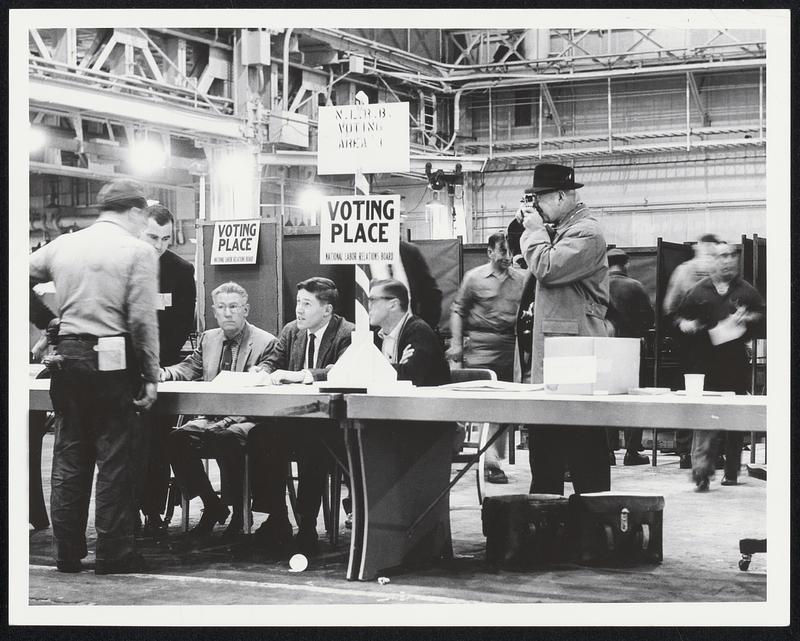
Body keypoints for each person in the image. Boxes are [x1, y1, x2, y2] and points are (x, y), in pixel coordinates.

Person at [29, 178, 160, 574]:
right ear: (135, 211)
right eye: (144, 216)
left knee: (69, 455)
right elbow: (140, 319)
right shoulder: (138, 251)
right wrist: (150, 373)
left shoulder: (63, 245)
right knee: (116, 457)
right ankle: (114, 553)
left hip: (67, 358)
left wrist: (50, 324)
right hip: (112, 362)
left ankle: (66, 552)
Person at [519, 163, 612, 496]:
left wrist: (532, 232)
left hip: (574, 356)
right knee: (546, 450)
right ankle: (548, 524)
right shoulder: (561, 231)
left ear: (560, 196)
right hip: (559, 354)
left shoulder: (587, 233)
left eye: (538, 199)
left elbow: (547, 266)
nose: (535, 207)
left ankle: (594, 530)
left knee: (584, 448)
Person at [247, 277, 354, 556]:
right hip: (293, 419)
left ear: (327, 309)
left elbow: (339, 370)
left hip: (331, 425)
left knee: (312, 444)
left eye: (307, 304)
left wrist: (301, 376)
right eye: (298, 303)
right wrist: (262, 370)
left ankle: (307, 526)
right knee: (259, 436)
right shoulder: (291, 331)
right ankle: (278, 518)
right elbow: (274, 359)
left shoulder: (347, 333)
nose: (299, 310)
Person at [162, 282, 276, 538]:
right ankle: (212, 504)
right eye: (222, 307)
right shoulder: (208, 338)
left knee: (224, 438)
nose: (228, 313)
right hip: (212, 416)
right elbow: (189, 368)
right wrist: (165, 372)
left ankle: (238, 512)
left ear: (246, 309)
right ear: (214, 311)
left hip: (248, 418)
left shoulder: (266, 342)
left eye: (234, 307)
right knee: (175, 439)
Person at [676, 242, 764, 491]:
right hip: (705, 363)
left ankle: (732, 471)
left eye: (732, 256)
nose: (727, 260)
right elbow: (680, 317)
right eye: (722, 256)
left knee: (734, 417)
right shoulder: (698, 291)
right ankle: (701, 472)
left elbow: (763, 317)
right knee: (706, 416)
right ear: (713, 261)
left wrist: (748, 318)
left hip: (736, 363)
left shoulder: (746, 291)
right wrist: (686, 324)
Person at [448, 232, 526, 484]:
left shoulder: (523, 279)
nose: (507, 257)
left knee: (503, 407)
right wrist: (457, 346)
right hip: (480, 347)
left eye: (510, 251)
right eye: (502, 251)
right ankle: (489, 460)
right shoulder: (474, 278)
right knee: (483, 404)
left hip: (510, 348)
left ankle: (492, 459)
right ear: (490, 252)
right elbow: (458, 311)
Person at [138, 203, 196, 536]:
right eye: (152, 237)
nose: (159, 245)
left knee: (157, 445)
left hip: (159, 369)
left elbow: (180, 325)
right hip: (124, 372)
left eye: (165, 238)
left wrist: (154, 366)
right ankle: (128, 511)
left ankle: (154, 513)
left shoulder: (180, 270)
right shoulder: (124, 264)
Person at [663, 233, 722, 469]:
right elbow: (670, 308)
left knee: (701, 395)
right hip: (699, 344)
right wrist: (683, 324)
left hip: (704, 344)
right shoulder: (687, 272)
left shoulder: (685, 271)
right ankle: (695, 452)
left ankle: (692, 452)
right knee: (702, 395)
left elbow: (669, 307)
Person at [606, 248, 654, 466]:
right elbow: (649, 320)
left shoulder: (598, 285)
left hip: (605, 348)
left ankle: (606, 451)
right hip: (632, 348)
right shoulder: (635, 287)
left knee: (606, 398)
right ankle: (632, 452)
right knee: (633, 398)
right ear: (626, 264)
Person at [369, 279, 450, 387]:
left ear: (393, 305)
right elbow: (359, 372)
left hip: (427, 402)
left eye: (372, 300)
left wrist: (377, 369)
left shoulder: (419, 332)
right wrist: (398, 367)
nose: (368, 306)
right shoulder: (375, 336)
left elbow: (410, 378)